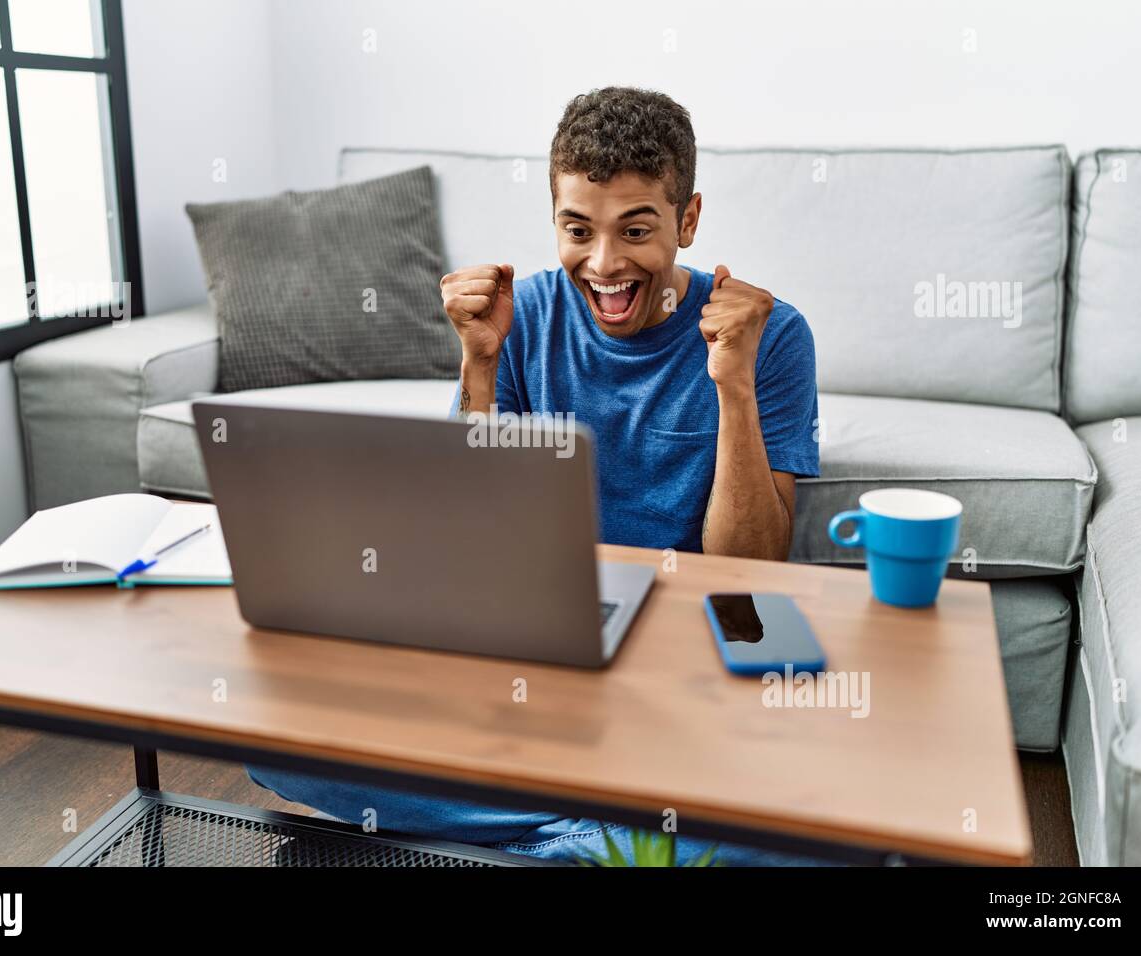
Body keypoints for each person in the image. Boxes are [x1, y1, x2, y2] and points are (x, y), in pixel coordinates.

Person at [250, 87, 821, 865]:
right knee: (274, 744)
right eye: (578, 230)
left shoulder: (770, 333)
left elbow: (748, 572)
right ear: (554, 219)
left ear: (687, 221)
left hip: (680, 658)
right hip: (538, 648)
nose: (606, 264)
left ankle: (543, 830)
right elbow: (466, 538)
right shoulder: (521, 319)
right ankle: (599, 837)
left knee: (819, 831)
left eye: (637, 231)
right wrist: (479, 366)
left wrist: (734, 384)